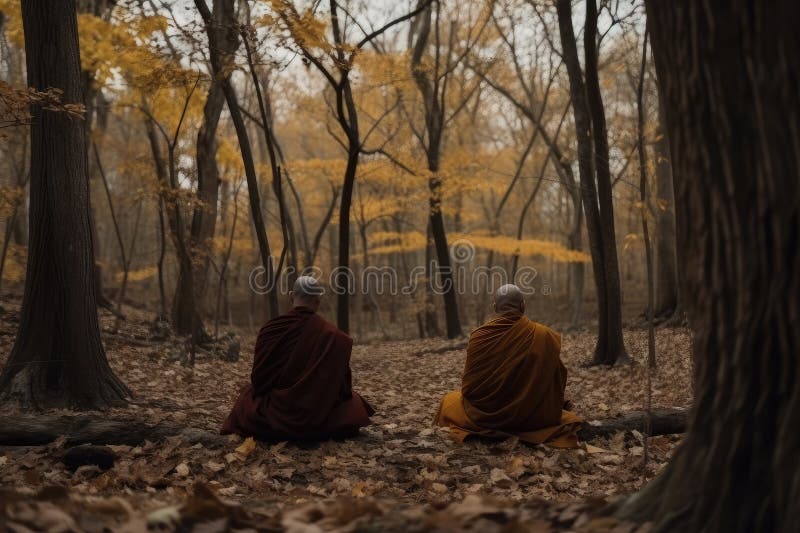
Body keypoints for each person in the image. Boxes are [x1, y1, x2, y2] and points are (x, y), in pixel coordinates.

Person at [221, 276, 374, 441]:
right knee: (355, 404)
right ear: (318, 301)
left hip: (274, 413)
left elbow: (259, 381)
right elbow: (343, 388)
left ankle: (276, 429)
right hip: (317, 414)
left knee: (246, 398)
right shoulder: (334, 336)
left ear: (291, 296)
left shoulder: (271, 329)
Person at [435, 284, 583, 447]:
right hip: (531, 418)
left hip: (485, 418)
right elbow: (558, 377)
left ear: (495, 307)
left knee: (449, 402)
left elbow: (469, 389)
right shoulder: (544, 335)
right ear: (522, 305)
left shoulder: (479, 336)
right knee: (567, 418)